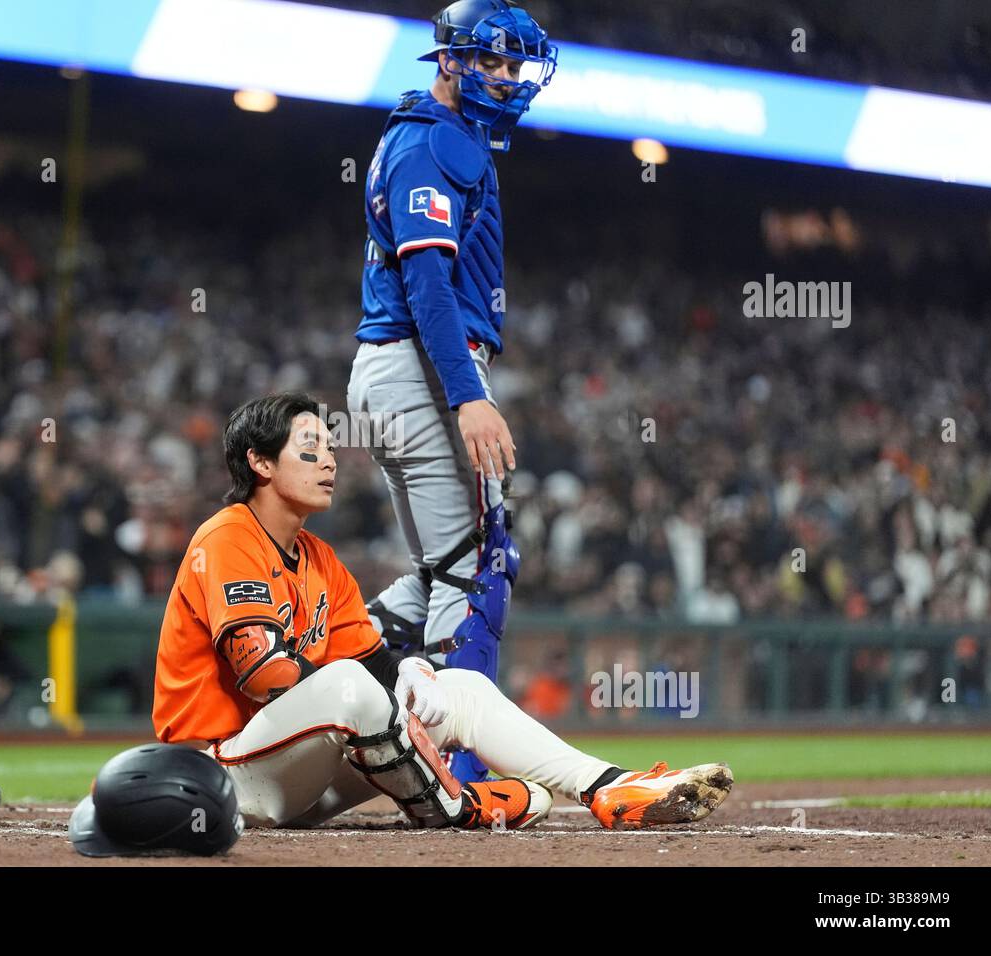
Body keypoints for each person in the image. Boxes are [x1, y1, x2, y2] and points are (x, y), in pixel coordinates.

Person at [152, 393, 733, 831]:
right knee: (354, 687)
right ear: (260, 462)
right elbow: (265, 674)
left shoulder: (320, 559)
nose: (329, 460)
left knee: (458, 688)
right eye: (310, 448)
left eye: (330, 447)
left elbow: (372, 664)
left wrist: (408, 675)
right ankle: (458, 803)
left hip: (294, 772)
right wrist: (382, 696)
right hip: (215, 779)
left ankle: (610, 788)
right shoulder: (227, 537)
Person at [346, 0, 555, 783]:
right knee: (476, 570)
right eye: (491, 61)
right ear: (448, 60)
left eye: (514, 65)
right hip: (422, 366)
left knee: (445, 568)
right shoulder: (433, 145)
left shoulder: (439, 137)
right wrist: (468, 395)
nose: (507, 78)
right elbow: (429, 286)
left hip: (400, 367)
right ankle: (451, 772)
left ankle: (327, 664)